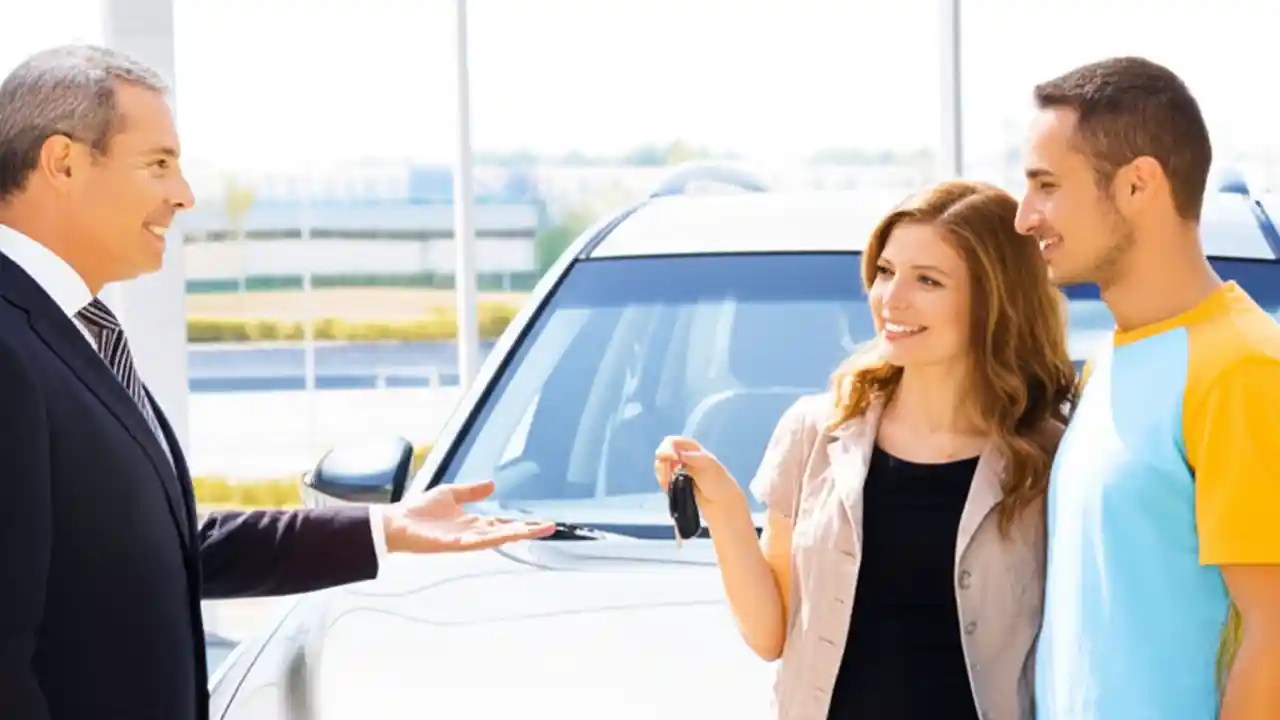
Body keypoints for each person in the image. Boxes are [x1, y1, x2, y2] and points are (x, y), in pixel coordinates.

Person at [0, 45, 554, 720]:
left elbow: (169, 546)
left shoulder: (70, 327)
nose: (184, 195)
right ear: (62, 163)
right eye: (159, 164)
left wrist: (385, 527)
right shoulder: (10, 344)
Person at [655, 180, 1077, 720]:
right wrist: (724, 508)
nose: (891, 299)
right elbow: (769, 636)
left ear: (995, 300)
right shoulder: (814, 430)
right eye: (885, 271)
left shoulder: (1051, 456)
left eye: (928, 280)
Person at [1017, 56, 1280, 720]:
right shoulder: (1112, 357)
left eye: (1046, 185)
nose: (1025, 216)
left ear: (1138, 185)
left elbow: (1275, 637)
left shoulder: (1243, 370)